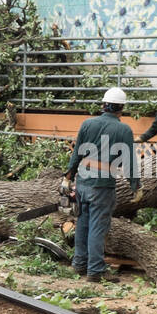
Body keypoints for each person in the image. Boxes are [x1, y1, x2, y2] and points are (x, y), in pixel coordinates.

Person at [64, 87, 144, 282]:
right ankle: (96, 270)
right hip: (102, 185)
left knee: (82, 223)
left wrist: (67, 176)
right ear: (121, 108)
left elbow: (76, 154)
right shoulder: (123, 129)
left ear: (103, 105)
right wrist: (136, 186)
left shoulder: (87, 124)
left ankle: (79, 264)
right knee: (98, 227)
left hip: (82, 181)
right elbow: (129, 161)